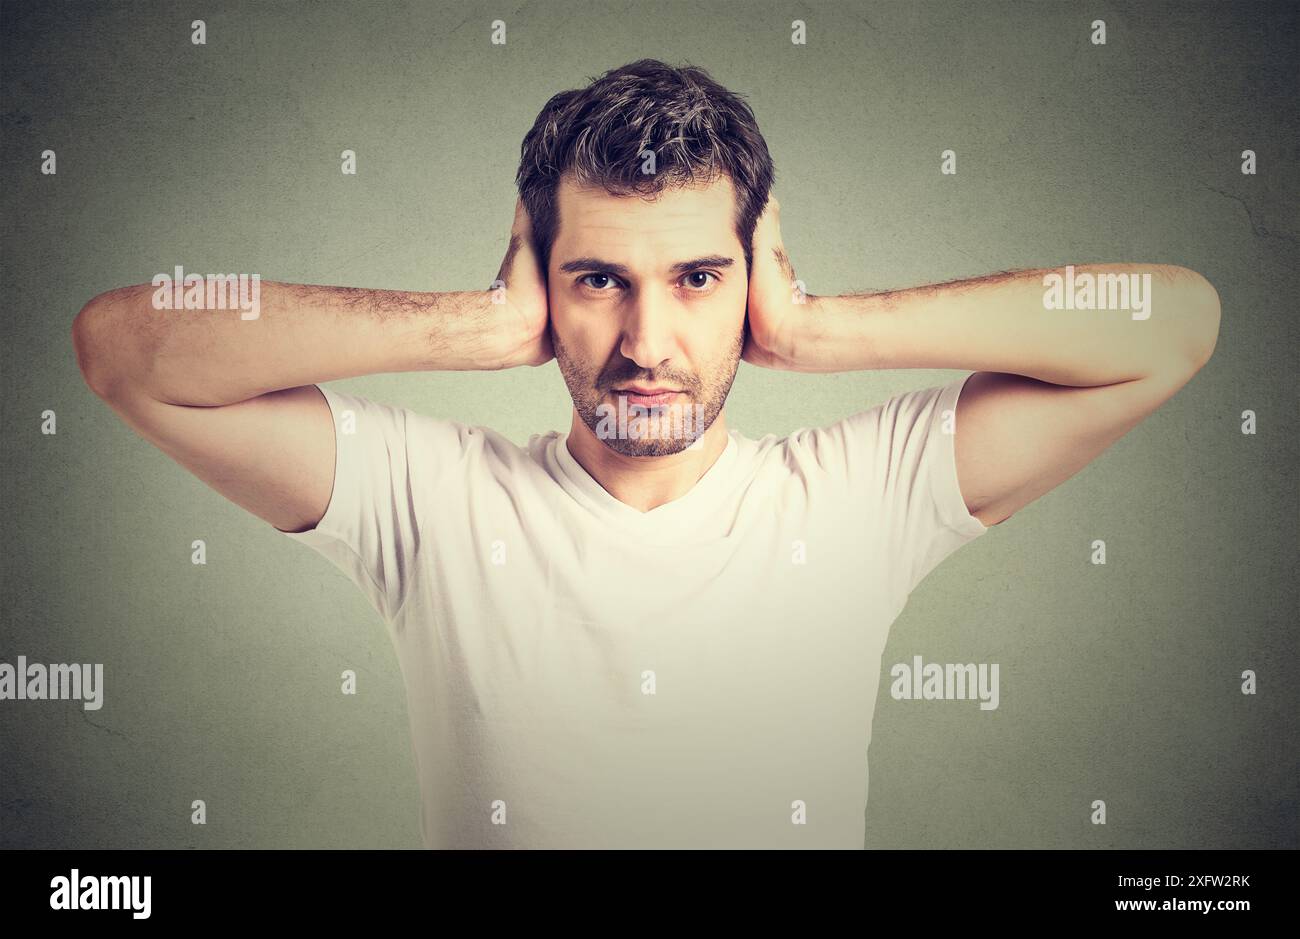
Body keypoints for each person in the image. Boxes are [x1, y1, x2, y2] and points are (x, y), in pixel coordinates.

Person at [71, 59, 1220, 848]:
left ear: (752, 276)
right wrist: (473, 325)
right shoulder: (430, 499)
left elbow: (1171, 327)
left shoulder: (858, 498)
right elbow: (125, 350)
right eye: (598, 280)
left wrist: (821, 327)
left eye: (697, 279)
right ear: (542, 279)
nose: (646, 344)